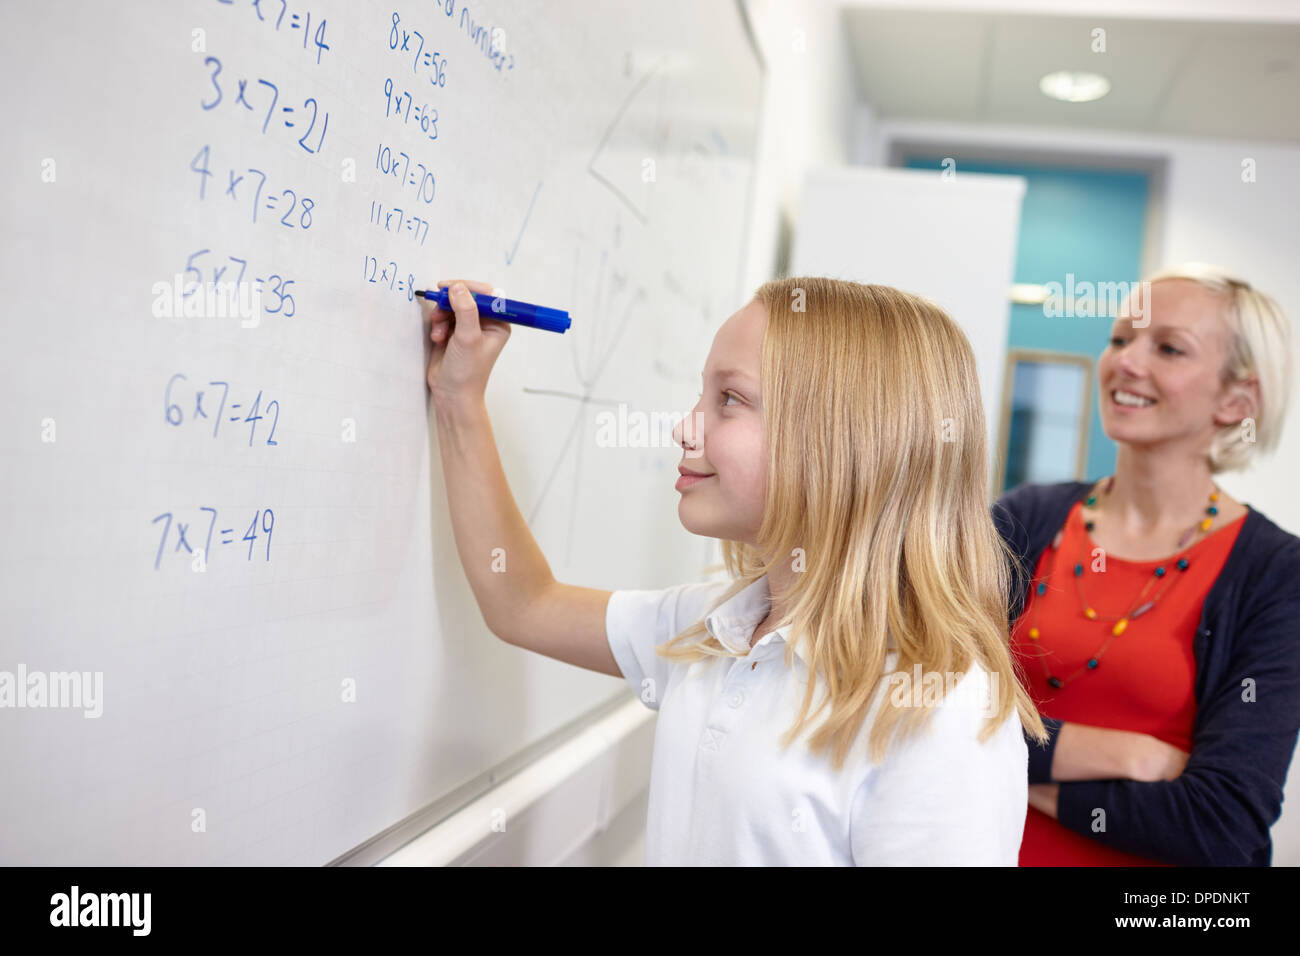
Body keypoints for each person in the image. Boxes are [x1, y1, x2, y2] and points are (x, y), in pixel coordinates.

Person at [426, 275, 1046, 866]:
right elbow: (524, 602)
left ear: (841, 442)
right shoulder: (715, 631)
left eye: (729, 400)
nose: (684, 426)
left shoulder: (939, 709)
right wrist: (459, 400)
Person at [994, 262, 1300, 866]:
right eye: (1119, 339)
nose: (1126, 362)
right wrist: (1124, 755)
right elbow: (923, 710)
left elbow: (1223, 825)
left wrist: (1010, 770)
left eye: (1168, 347)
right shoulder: (1024, 518)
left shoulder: (1275, 573)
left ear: (1237, 399)